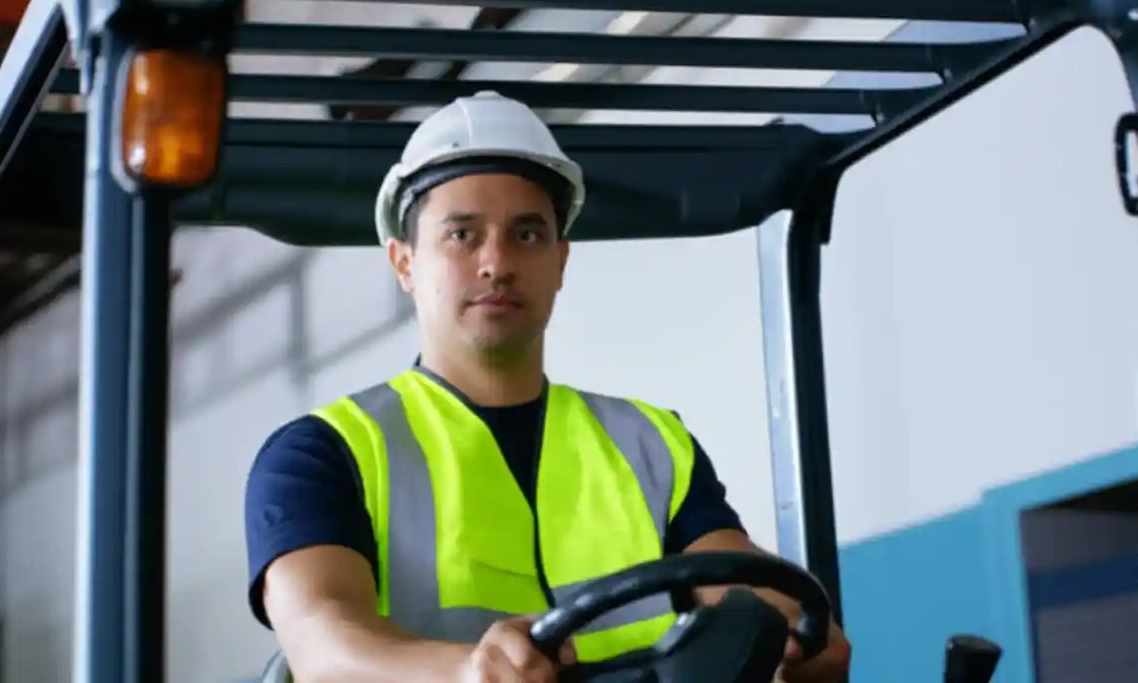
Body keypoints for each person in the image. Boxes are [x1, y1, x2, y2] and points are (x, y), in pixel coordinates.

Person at [243, 90, 851, 683]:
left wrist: (796, 629)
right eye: (462, 235)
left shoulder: (651, 442)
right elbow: (323, 641)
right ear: (405, 262)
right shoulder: (323, 453)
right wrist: (464, 672)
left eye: (527, 234)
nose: (497, 262)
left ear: (560, 261)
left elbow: (731, 576)